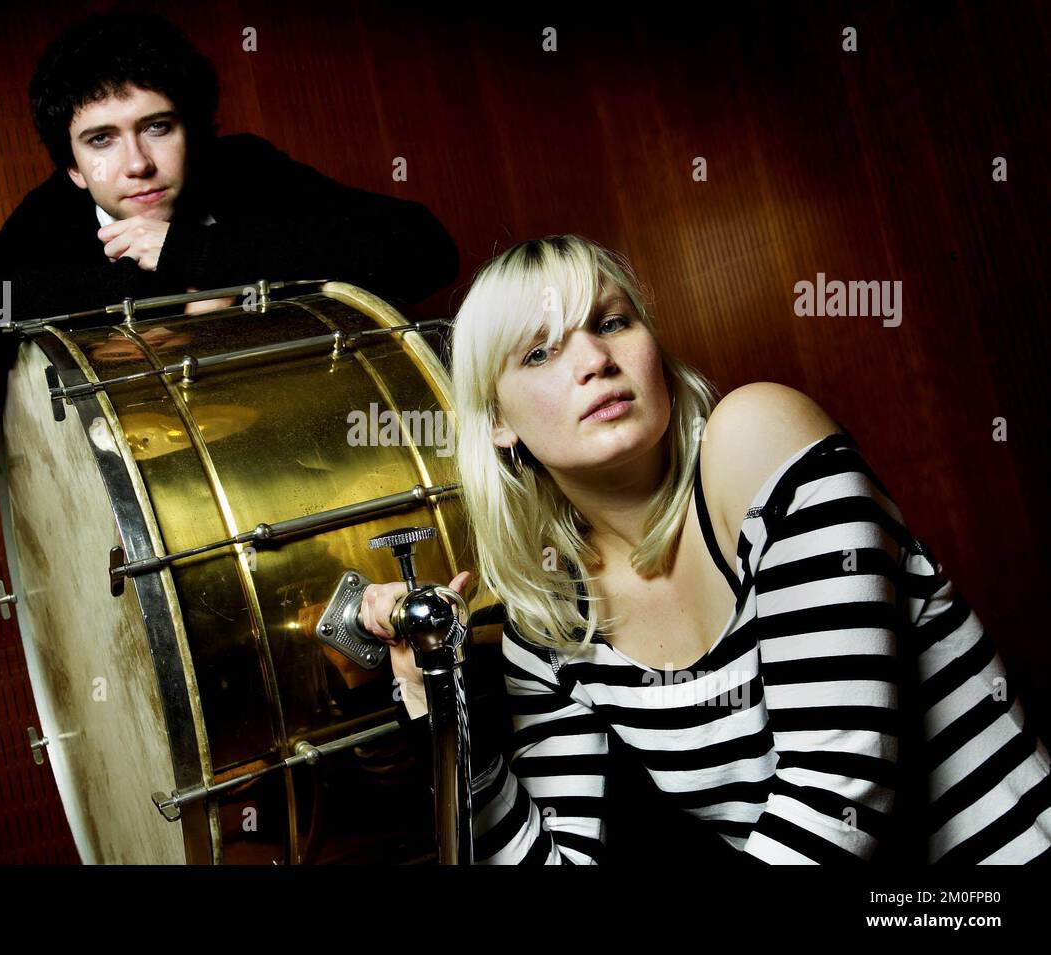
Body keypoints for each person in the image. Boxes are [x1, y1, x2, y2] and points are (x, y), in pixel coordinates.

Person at [359, 234, 1051, 864]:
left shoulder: (757, 442)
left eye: (611, 322)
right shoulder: (552, 620)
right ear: (500, 423)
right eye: (540, 352)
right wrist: (439, 701)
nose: (595, 361)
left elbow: (839, 793)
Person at [0, 11, 459, 380]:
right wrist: (148, 277)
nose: (137, 163)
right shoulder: (53, 212)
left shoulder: (242, 166)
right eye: (101, 140)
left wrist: (194, 252)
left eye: (158, 127)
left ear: (194, 130)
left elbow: (425, 250)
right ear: (73, 167)